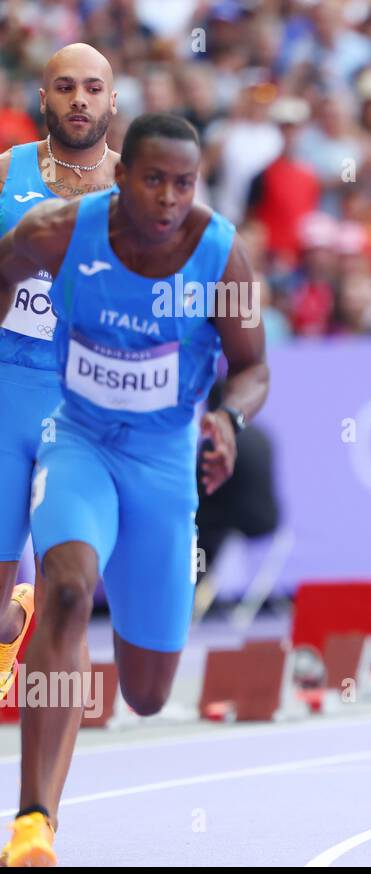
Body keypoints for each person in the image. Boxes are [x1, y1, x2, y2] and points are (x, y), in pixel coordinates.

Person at [0, 113, 269, 865]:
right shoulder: (58, 232)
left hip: (162, 466)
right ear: (120, 177)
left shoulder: (222, 257)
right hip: (77, 440)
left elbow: (254, 369)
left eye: (184, 183)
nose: (169, 198)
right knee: (68, 589)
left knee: (147, 692)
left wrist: (228, 420)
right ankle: (33, 823)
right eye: (154, 179)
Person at [0, 44, 122, 708]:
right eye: (66, 87)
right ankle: (9, 620)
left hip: (81, 402)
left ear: (112, 102)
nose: (80, 98)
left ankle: (44, 786)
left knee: (69, 585)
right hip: (6, 383)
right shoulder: (4, 176)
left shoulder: (137, 189)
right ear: (43, 99)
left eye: (93, 88)